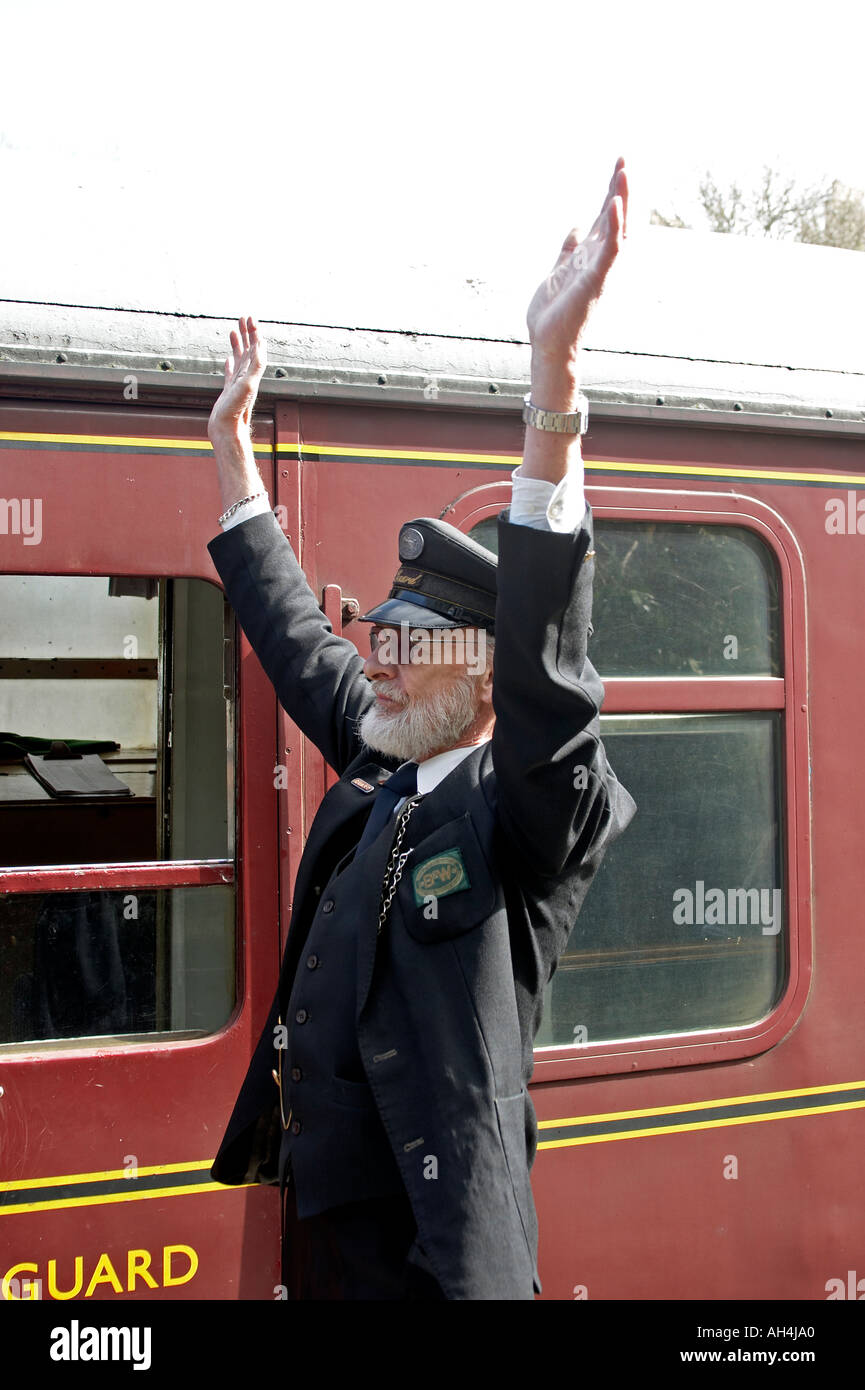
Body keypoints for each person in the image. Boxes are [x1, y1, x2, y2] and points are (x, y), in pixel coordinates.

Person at [206, 158, 636, 1300]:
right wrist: (238, 472)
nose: (378, 657)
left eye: (411, 641)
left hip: (433, 1264)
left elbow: (554, 683)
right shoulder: (390, 772)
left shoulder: (524, 813)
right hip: (329, 1249)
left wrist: (553, 381)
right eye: (380, 633)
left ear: (488, 677)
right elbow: (305, 652)